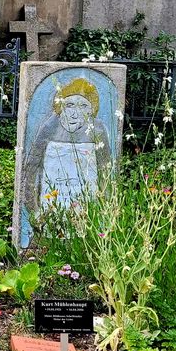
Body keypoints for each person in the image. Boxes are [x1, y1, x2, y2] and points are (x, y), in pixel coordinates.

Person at [19, 76, 112, 247]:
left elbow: (105, 172)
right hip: (50, 209)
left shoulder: (97, 131)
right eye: (69, 105)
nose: (75, 113)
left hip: (85, 212)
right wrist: (34, 208)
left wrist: (103, 209)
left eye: (83, 106)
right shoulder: (48, 128)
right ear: (60, 107)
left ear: (91, 110)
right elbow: (31, 169)